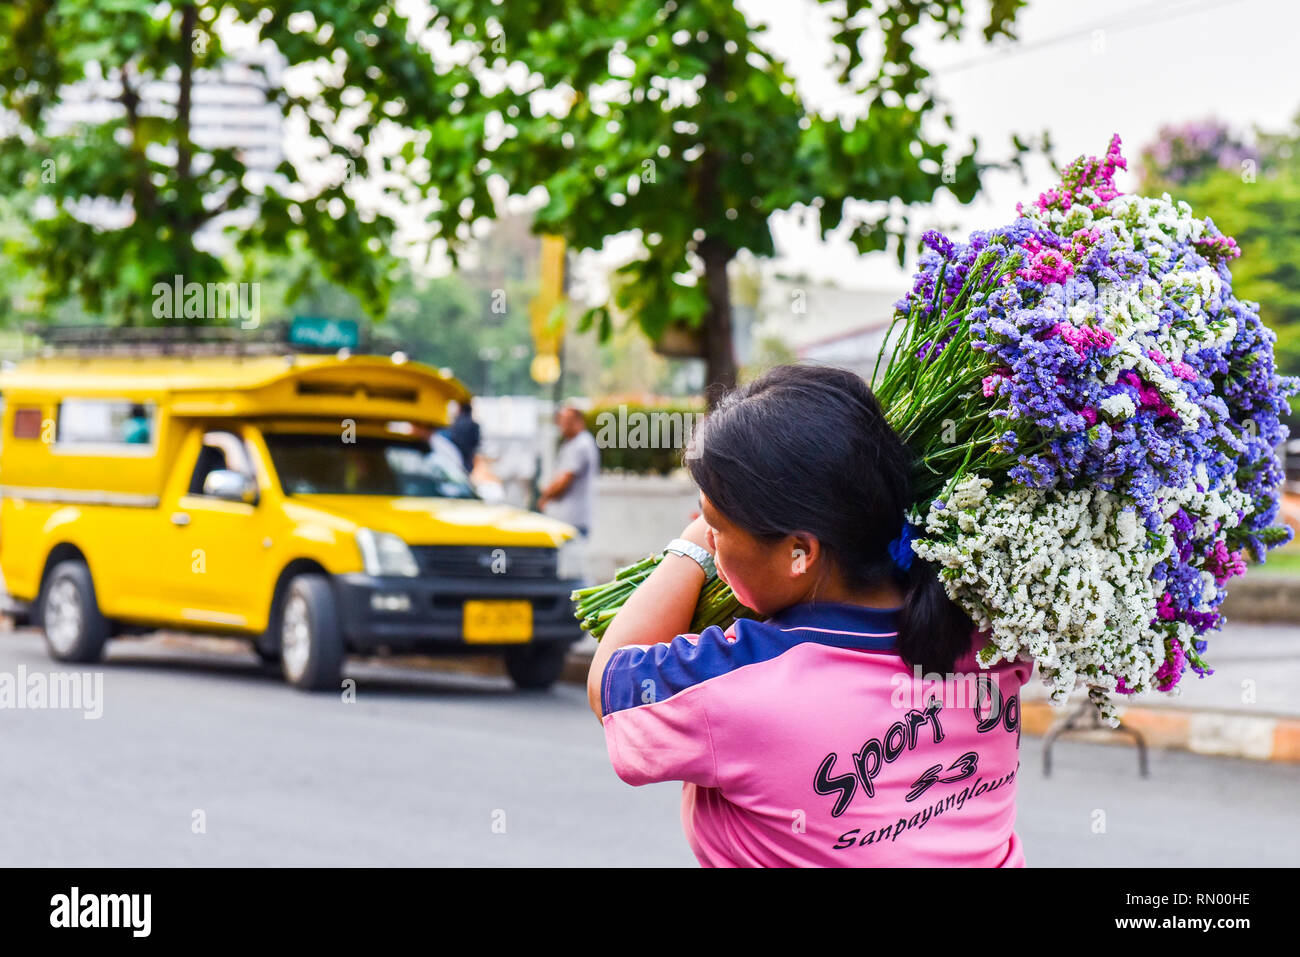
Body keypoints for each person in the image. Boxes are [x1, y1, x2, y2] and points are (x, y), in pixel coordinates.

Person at [586, 364, 1033, 868]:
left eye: (716, 525)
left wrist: (688, 553)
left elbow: (610, 683)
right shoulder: (991, 637)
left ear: (799, 552)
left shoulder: (746, 680)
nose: (709, 536)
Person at [538, 403, 599, 539]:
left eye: (567, 421)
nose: (562, 425)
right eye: (561, 421)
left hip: (573, 523)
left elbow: (564, 481)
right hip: (567, 521)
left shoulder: (581, 444)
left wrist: (545, 496)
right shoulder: (572, 443)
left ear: (579, 421)